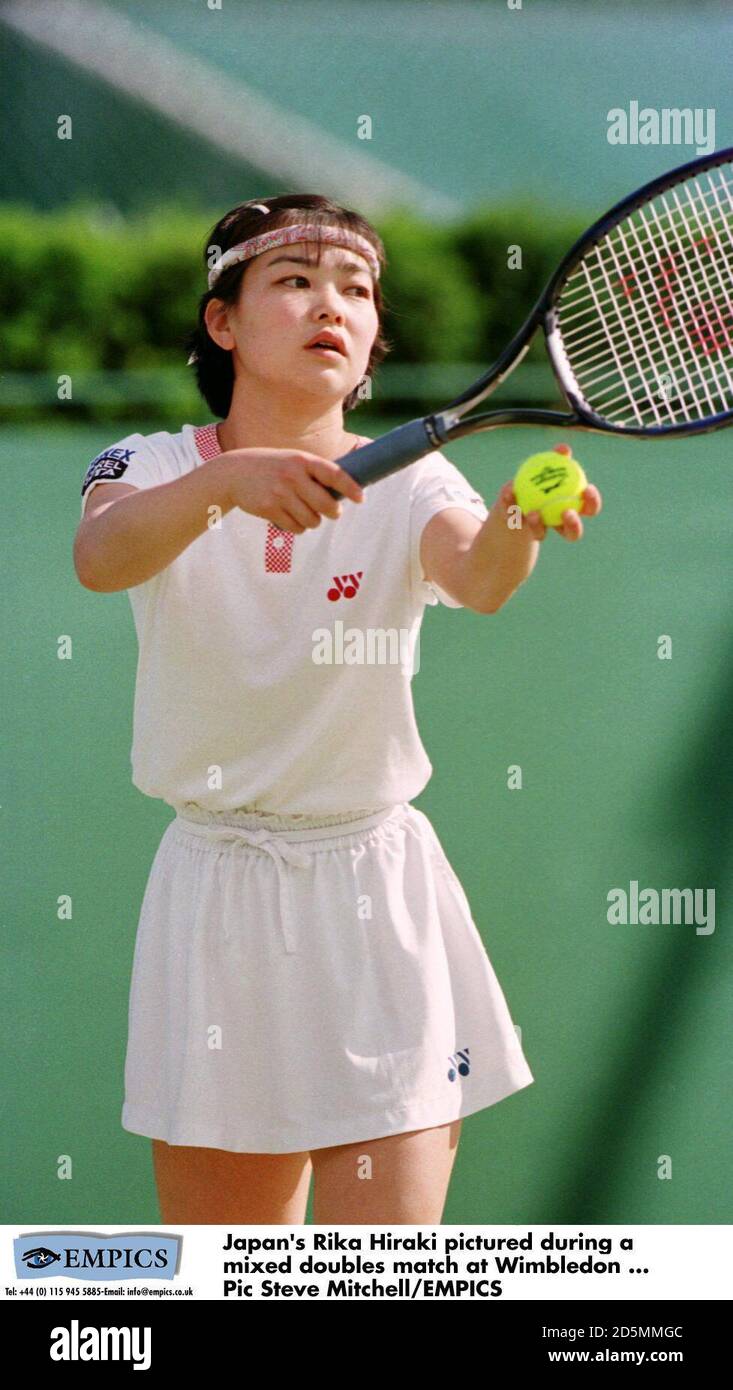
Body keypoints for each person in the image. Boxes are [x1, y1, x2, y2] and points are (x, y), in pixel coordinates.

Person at [73, 193, 602, 1226]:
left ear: (369, 348)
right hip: (215, 901)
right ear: (222, 322)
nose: (333, 304)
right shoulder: (148, 465)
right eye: (296, 280)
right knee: (234, 1288)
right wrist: (232, 483)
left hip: (377, 904)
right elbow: (102, 556)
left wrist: (517, 521)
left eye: (356, 289)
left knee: (380, 1288)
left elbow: (478, 573)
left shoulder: (414, 484)